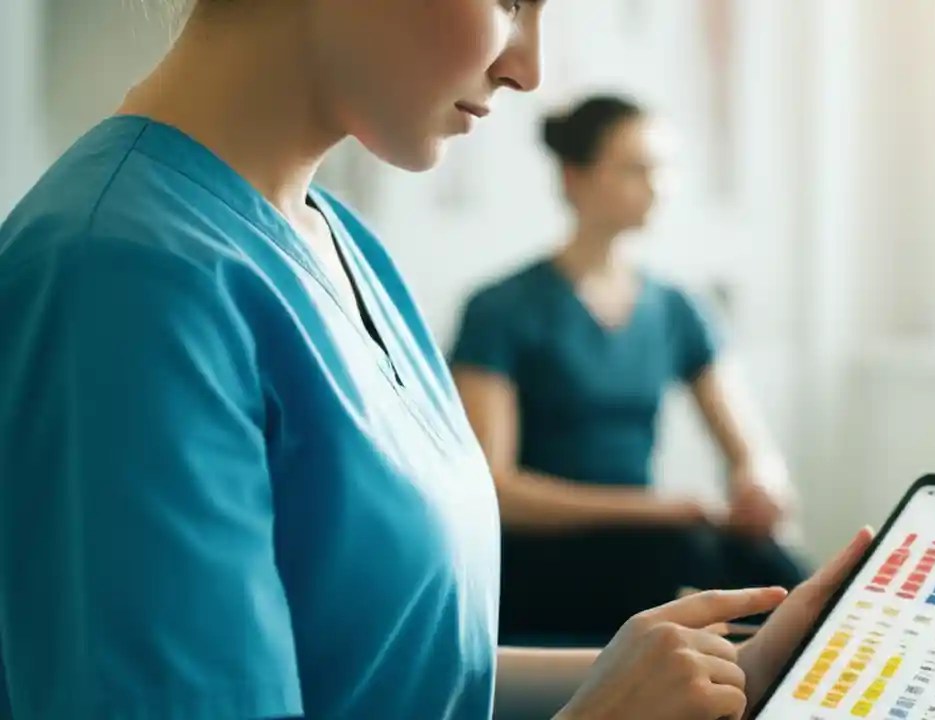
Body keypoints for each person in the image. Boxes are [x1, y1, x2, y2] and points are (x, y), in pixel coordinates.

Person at [0, 1, 873, 719]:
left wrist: (724, 674)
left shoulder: (345, 246)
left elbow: (396, 676)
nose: (529, 69)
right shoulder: (121, 277)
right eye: (511, 1)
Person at [451, 95, 809, 643]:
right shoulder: (501, 309)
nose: (659, 186)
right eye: (637, 169)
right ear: (575, 179)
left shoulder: (676, 307)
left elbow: (750, 448)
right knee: (685, 551)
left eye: (665, 168)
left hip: (649, 549)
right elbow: (497, 491)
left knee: (782, 576)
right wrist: (659, 510)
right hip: (543, 558)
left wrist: (760, 481)